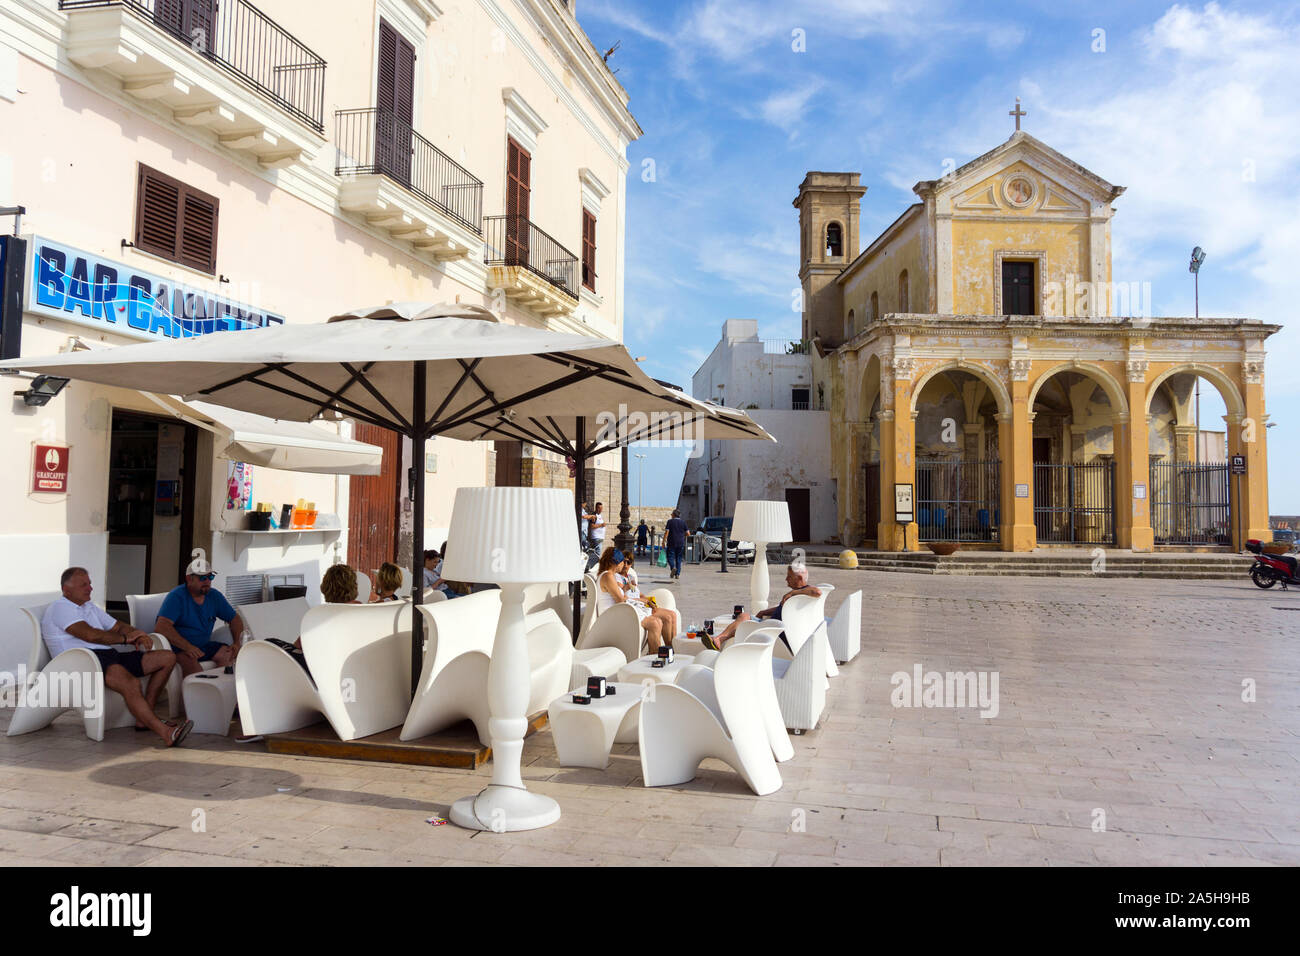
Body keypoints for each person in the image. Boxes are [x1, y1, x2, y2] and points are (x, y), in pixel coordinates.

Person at [42, 567, 190, 746]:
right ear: (67, 590)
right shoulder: (60, 608)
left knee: (167, 658)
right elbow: (90, 635)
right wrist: (126, 639)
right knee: (131, 683)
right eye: (83, 585)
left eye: (89, 583)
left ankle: (144, 717)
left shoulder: (88, 606)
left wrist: (137, 633)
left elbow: (117, 626)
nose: (90, 588)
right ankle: (166, 733)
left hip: (108, 656)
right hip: (84, 662)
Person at [154, 555, 246, 678]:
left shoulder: (214, 596)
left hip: (203, 645)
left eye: (210, 577)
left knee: (229, 655)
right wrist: (187, 647)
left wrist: (236, 643)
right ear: (189, 579)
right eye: (202, 577)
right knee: (196, 673)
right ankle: (197, 694)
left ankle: (219, 691)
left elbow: (235, 619)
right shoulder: (177, 596)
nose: (207, 581)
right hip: (179, 648)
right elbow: (161, 627)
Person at [705, 564, 821, 652]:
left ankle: (719, 640)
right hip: (771, 624)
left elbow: (818, 592)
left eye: (789, 576)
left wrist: (793, 593)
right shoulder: (800, 594)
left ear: (799, 578)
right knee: (744, 617)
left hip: (772, 630)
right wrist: (764, 611)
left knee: (744, 617)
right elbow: (784, 609)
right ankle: (719, 639)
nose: (786, 579)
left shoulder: (804, 592)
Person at [596, 548, 677, 654]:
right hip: (614, 616)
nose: (624, 565)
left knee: (663, 618)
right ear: (617, 563)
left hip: (620, 611)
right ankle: (655, 656)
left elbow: (621, 597)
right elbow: (620, 599)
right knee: (655, 623)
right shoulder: (608, 576)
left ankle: (667, 652)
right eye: (622, 562)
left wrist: (642, 600)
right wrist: (641, 601)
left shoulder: (608, 575)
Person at [664, 509, 689, 581]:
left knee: (670, 557)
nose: (671, 515)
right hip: (680, 543)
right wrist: (682, 536)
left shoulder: (670, 522)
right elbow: (688, 533)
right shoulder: (683, 522)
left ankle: (673, 567)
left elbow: (667, 532)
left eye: (671, 514)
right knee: (679, 558)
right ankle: (677, 574)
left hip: (671, 542)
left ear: (674, 515)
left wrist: (663, 541)